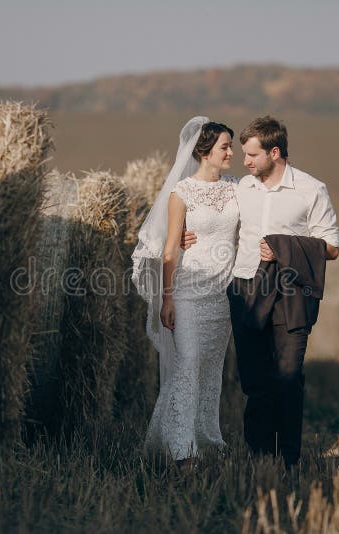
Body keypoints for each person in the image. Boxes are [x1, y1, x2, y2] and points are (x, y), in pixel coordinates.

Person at [182, 115, 339, 467]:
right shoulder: (240, 187)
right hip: (246, 289)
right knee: (254, 379)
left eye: (252, 155)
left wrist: (284, 247)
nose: (245, 162)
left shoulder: (312, 190)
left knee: (287, 377)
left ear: (275, 152)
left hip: (291, 293)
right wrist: (186, 235)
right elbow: (209, 214)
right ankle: (259, 456)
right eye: (242, 155)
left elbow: (331, 247)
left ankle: (288, 460)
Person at [131, 117, 239, 466]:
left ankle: (204, 438)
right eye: (225, 146)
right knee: (187, 364)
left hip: (222, 297)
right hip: (189, 293)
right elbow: (169, 249)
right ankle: (180, 450)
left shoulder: (238, 188)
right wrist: (167, 298)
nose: (231, 152)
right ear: (205, 151)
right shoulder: (183, 192)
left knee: (209, 371)